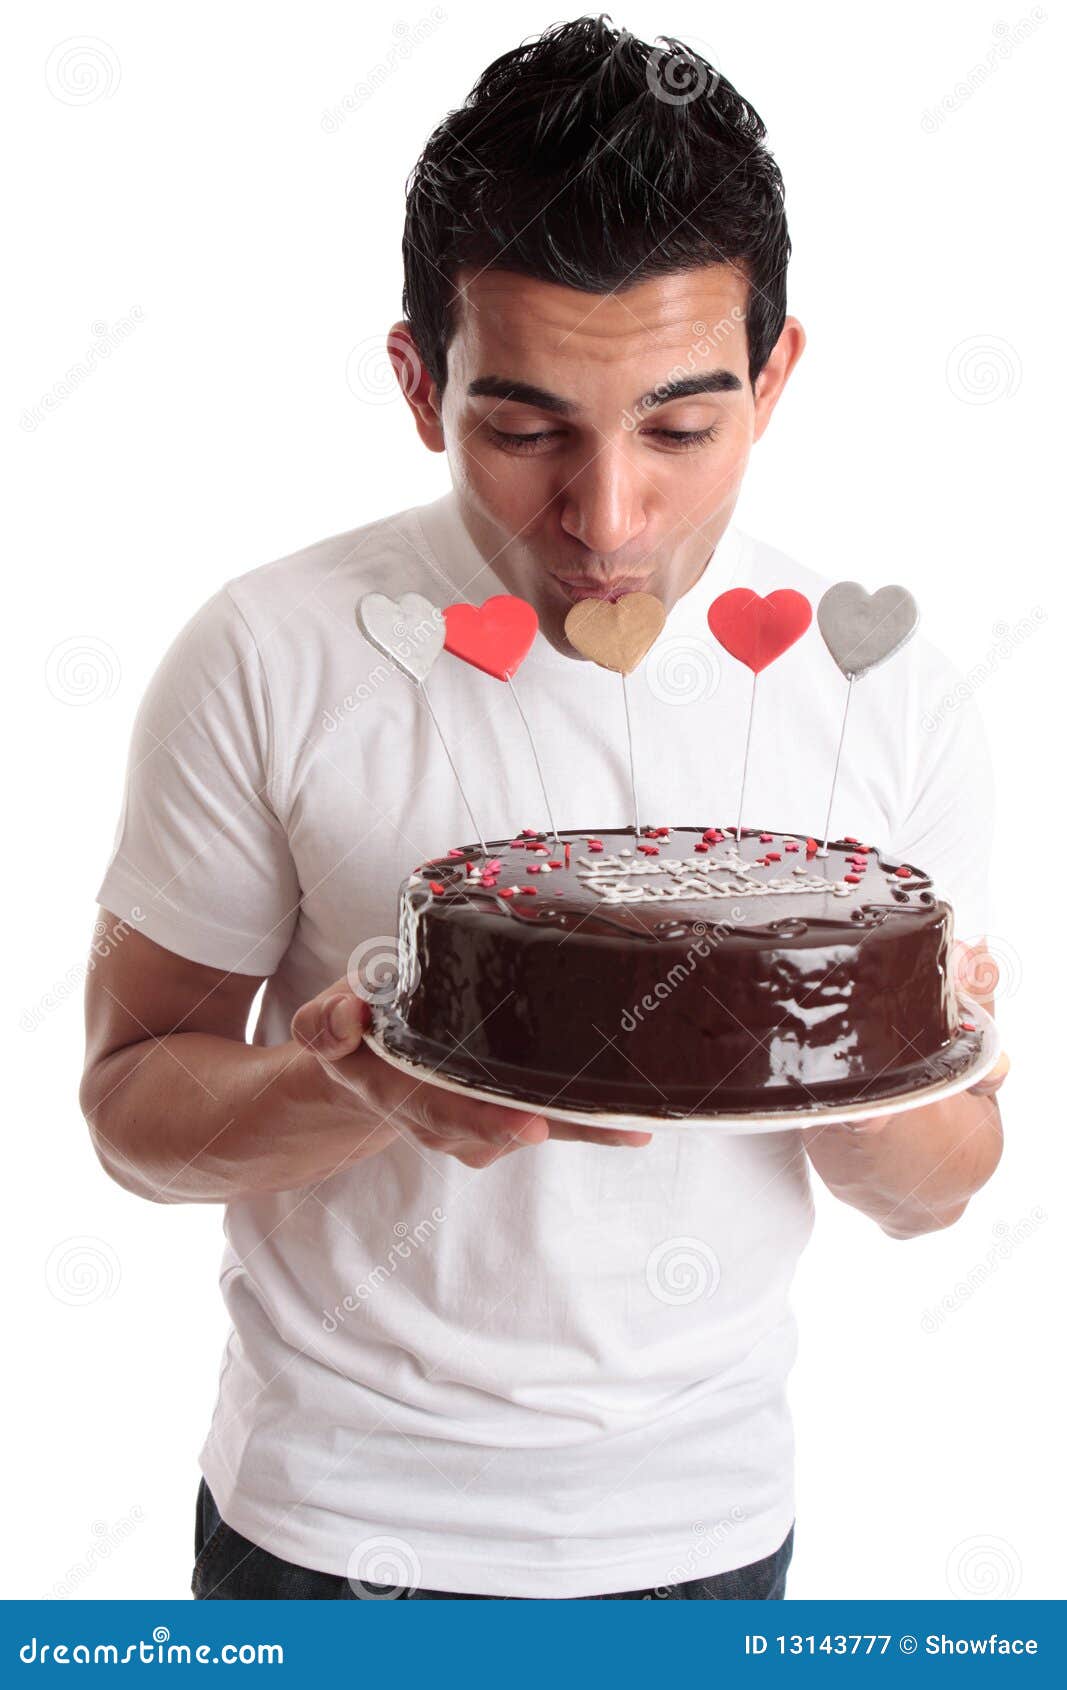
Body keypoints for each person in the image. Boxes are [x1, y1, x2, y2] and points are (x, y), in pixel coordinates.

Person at [79, 17, 1007, 1600]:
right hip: (322, 1529)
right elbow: (130, 1110)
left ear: (774, 378)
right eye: (523, 430)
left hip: (713, 1534)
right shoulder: (268, 649)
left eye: (680, 425)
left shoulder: (881, 678)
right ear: (417, 381)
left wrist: (817, 1029)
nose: (607, 518)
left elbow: (949, 1182)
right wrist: (372, 1088)